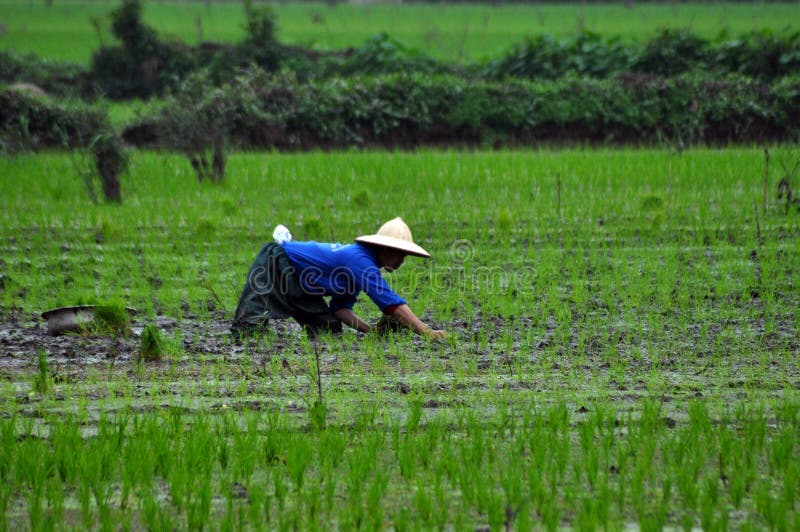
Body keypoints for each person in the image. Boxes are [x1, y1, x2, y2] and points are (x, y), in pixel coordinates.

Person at [231, 217, 447, 340]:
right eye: (399, 253)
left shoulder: (360, 267)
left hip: (300, 283)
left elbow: (340, 309)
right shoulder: (361, 261)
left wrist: (371, 332)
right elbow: (391, 304)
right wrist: (427, 332)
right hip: (276, 263)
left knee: (328, 331)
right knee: (247, 330)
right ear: (383, 248)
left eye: (405, 255)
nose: (402, 260)